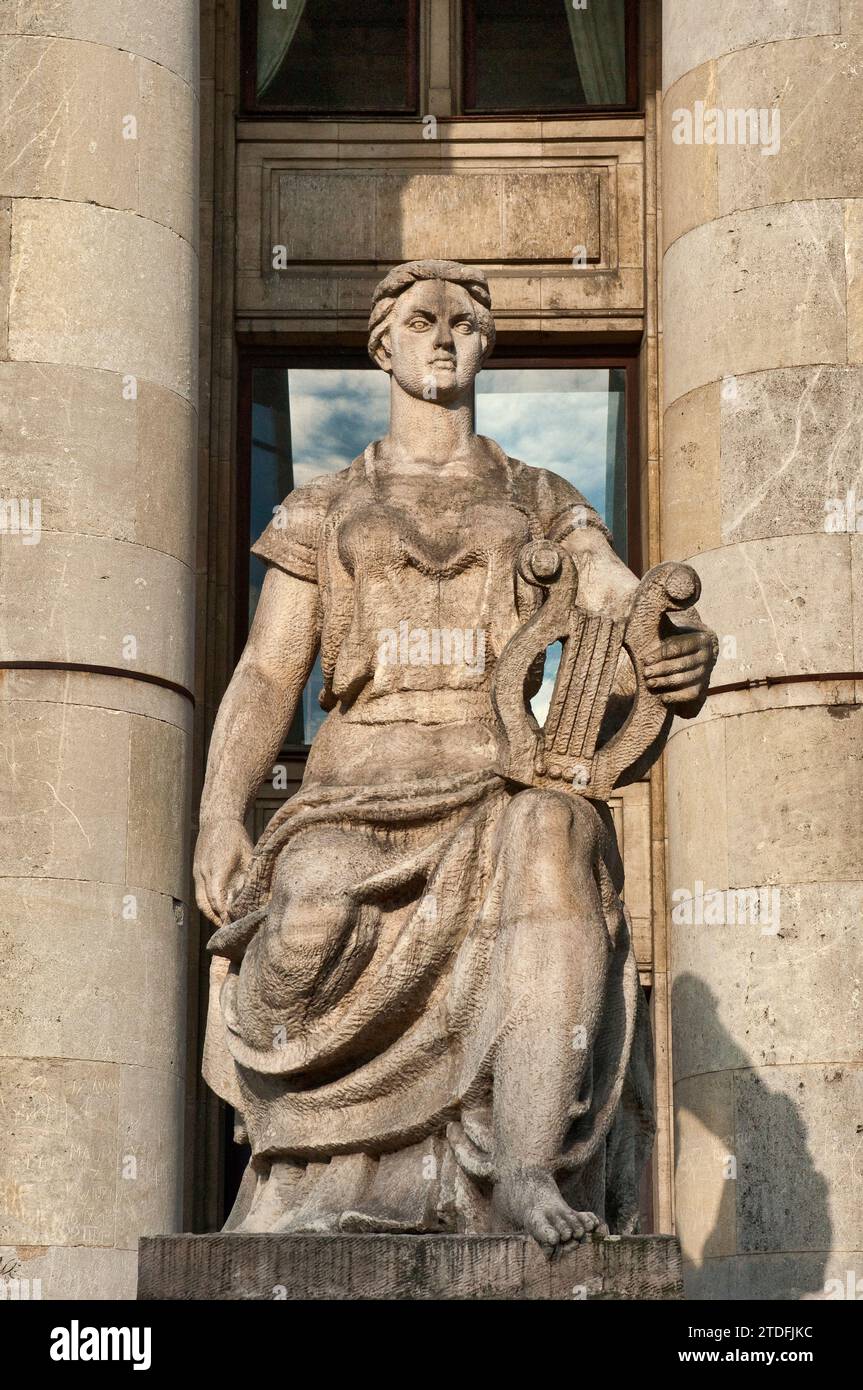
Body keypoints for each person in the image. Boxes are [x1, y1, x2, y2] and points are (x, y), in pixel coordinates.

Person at [194, 260, 716, 1250]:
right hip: (351, 790)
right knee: (306, 913)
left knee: (558, 839)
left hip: (495, 777)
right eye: (424, 321)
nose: (445, 338)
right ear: (381, 343)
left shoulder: (540, 496)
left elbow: (616, 597)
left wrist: (669, 646)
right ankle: (313, 1173)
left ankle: (521, 1168)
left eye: (466, 324)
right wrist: (222, 810)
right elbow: (267, 671)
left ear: (484, 347)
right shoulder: (324, 503)